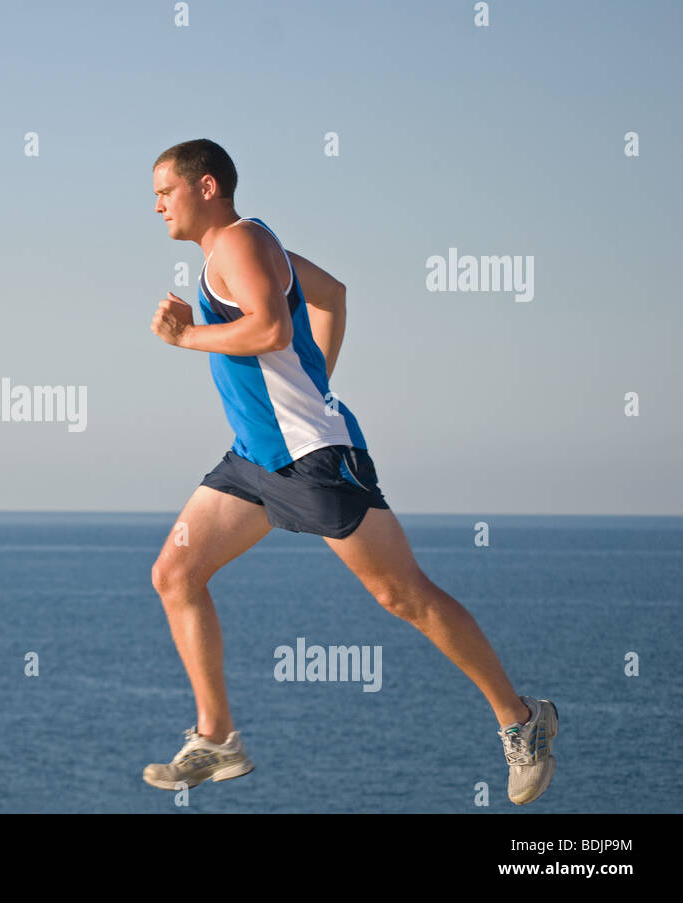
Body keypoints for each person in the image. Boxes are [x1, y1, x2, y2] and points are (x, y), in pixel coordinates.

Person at [143, 138, 557, 805]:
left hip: (314, 459)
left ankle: (521, 719)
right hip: (256, 458)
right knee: (175, 573)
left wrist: (190, 338)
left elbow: (273, 329)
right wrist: (312, 386)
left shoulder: (241, 243)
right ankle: (217, 736)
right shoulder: (236, 251)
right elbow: (330, 295)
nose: (157, 203)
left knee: (403, 596)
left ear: (208, 187)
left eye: (166, 190)